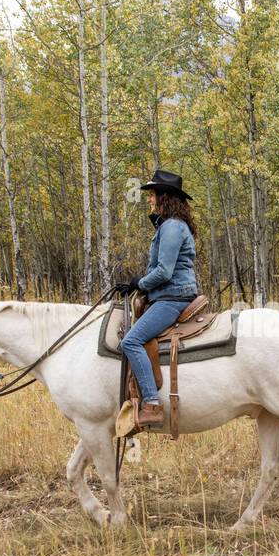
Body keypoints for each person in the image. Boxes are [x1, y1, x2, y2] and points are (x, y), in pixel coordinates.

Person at [115, 169, 199, 428]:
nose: (149, 200)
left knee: (131, 341)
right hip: (168, 294)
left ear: (165, 197)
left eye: (152, 195)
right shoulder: (169, 224)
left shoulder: (172, 226)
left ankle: (152, 402)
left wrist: (138, 283)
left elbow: (164, 271)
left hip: (173, 297)